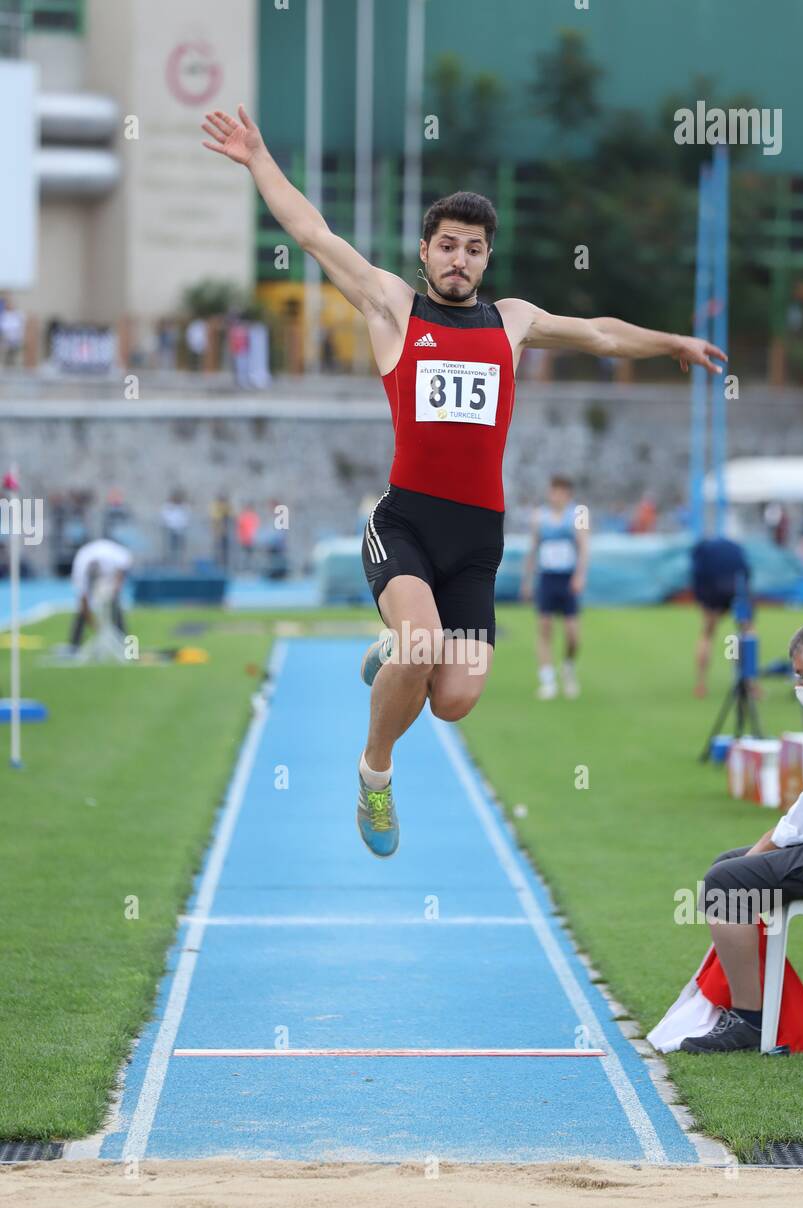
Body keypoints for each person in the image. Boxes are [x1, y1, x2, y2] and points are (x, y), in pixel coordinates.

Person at [201, 104, 726, 857]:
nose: (460, 259)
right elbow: (314, 233)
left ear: (486, 259)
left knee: (454, 700)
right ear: (424, 251)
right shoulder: (392, 307)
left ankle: (392, 653)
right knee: (421, 645)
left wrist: (668, 340)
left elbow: (602, 333)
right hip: (406, 523)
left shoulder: (512, 322)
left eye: (474, 249)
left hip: (479, 541)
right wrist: (258, 159)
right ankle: (374, 777)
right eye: (448, 245)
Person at [678, 618, 803, 1053]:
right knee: (730, 865)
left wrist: (770, 842)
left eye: (802, 674)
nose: (799, 685)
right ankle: (749, 1001)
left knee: (726, 883)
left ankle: (750, 1019)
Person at [522, 476, 589, 699]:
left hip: (567, 578)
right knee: (545, 628)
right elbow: (533, 548)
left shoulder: (578, 514)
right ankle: (547, 679)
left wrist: (580, 575)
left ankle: (568, 666)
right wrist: (528, 580)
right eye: (553, 491)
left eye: (560, 492)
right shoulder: (539, 516)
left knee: (573, 634)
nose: (556, 496)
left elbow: (584, 546)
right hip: (547, 578)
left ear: (567, 494)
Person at [690, 536, 752, 698]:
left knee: (707, 633)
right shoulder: (734, 547)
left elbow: (697, 574)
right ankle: (752, 685)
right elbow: (746, 570)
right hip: (737, 586)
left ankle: (701, 685)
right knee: (748, 634)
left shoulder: (702, 551)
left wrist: (702, 599)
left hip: (712, 590)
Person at [69, 538, 132, 649]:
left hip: (111, 574)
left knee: (114, 605)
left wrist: (116, 587)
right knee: (81, 612)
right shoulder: (80, 569)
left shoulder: (115, 557)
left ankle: (124, 642)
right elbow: (83, 600)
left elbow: (122, 568)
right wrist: (94, 625)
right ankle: (74, 644)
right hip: (100, 574)